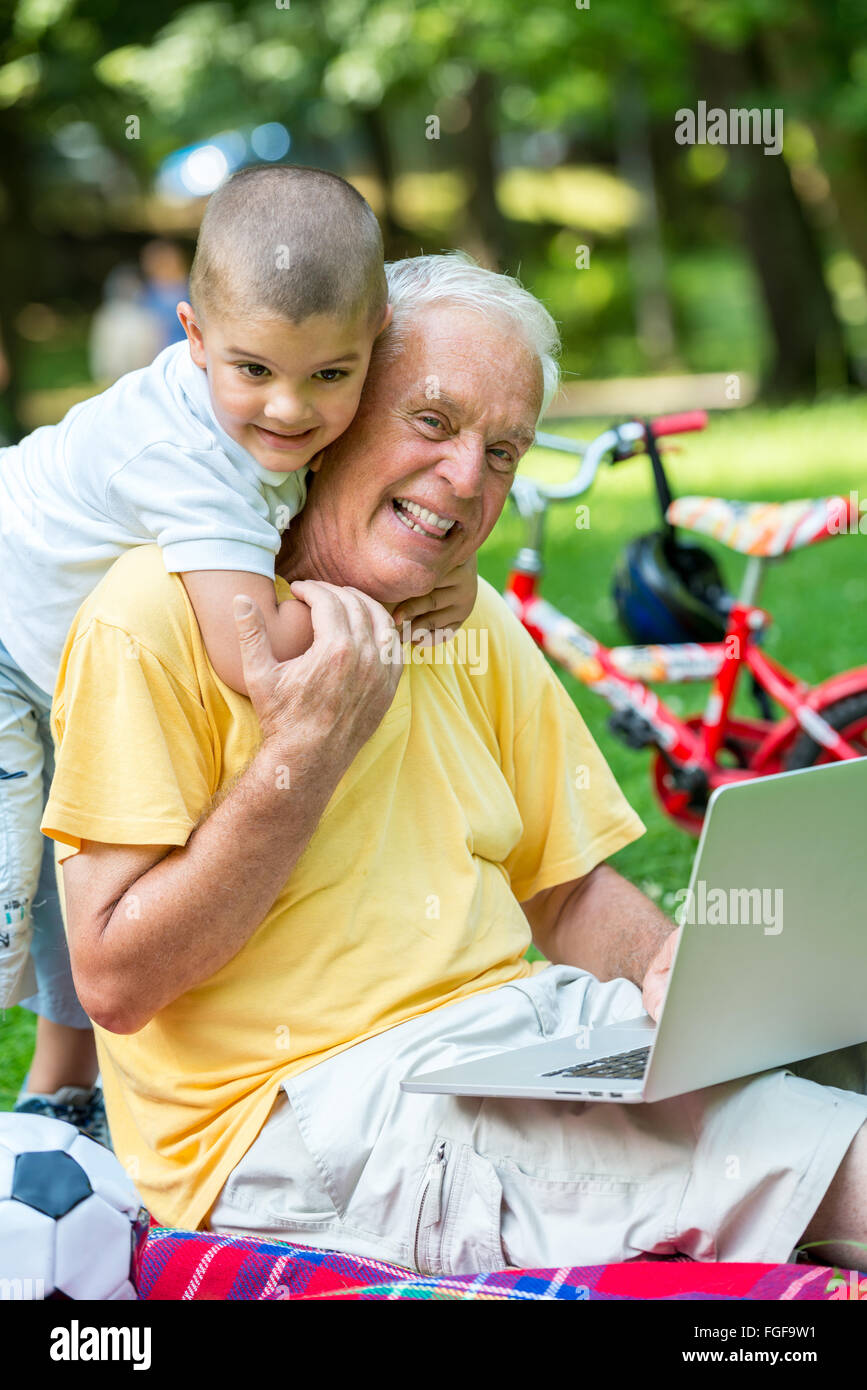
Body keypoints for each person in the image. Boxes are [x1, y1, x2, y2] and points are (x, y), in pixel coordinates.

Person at [41, 254, 867, 1270]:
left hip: (521, 1041)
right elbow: (116, 979)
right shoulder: (153, 613)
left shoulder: (467, 620)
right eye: (432, 421)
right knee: (829, 1159)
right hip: (302, 1113)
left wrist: (670, 969)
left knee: (835, 1054)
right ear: (336, 411)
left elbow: (565, 893)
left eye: (503, 450)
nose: (468, 479)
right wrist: (307, 748)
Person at [0, 168, 475, 1139]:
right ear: (193, 334)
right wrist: (383, 604)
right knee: (9, 896)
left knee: (80, 863)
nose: (290, 409)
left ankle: (62, 1094)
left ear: (375, 337)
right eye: (253, 370)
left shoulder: (263, 416)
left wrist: (438, 569)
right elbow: (251, 654)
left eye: (330, 375)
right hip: (5, 646)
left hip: (53, 651)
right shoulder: (186, 459)